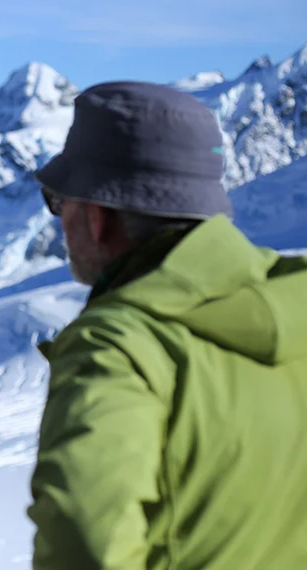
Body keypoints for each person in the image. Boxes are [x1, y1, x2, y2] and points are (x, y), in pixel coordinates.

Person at [28, 81, 307, 569]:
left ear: (97, 217)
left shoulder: (115, 348)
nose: (60, 221)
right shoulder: (292, 304)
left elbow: (88, 548)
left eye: (59, 202)